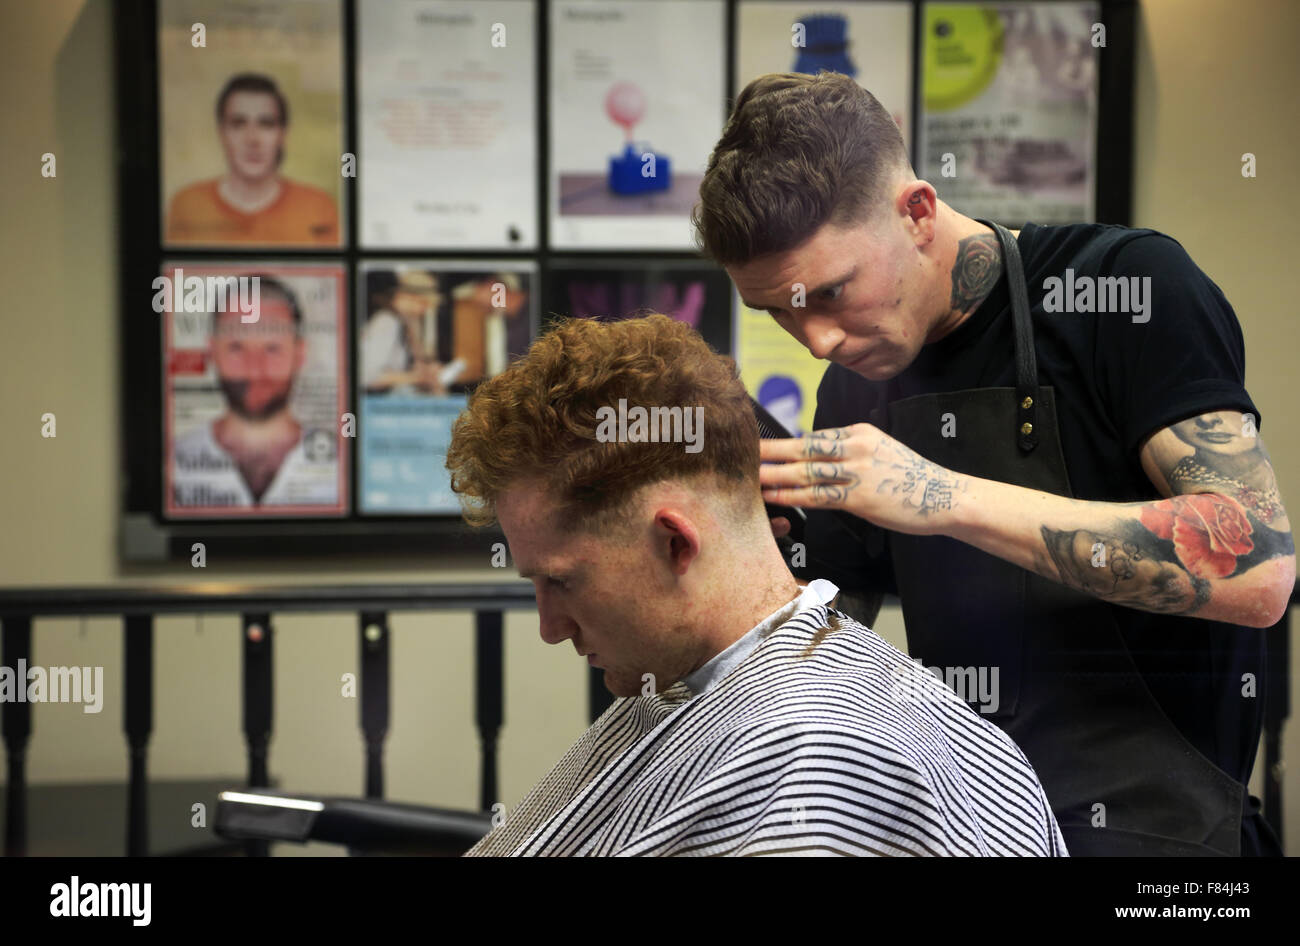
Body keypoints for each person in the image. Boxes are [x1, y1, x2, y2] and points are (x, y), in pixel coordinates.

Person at [691, 71, 1295, 855]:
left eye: (832, 292)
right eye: (778, 310)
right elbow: (827, 635)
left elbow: (1258, 564)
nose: (818, 342)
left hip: (1163, 844)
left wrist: (938, 496)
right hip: (975, 827)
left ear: (915, 213)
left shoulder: (1122, 288)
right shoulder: (856, 384)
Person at [446, 314, 1066, 857]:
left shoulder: (824, 761)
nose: (550, 629)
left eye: (560, 581)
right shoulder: (679, 687)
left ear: (676, 543)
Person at [171, 276, 337, 507]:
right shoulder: (172, 465)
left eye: (272, 348)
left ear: (300, 353)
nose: (255, 368)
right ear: (212, 352)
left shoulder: (341, 467)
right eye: (237, 347)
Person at [165, 73, 339, 246]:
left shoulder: (317, 207)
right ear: (222, 133)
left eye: (266, 124)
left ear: (283, 134)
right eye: (238, 124)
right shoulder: (187, 205)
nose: (252, 139)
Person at [360, 269, 449, 395]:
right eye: (423, 303)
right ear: (409, 297)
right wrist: (417, 377)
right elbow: (367, 376)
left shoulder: (403, 322)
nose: (423, 311)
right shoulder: (386, 322)